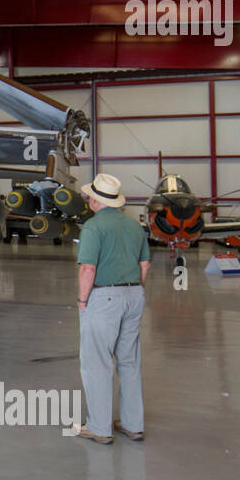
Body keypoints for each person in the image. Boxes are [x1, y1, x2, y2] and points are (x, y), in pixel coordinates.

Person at [74, 173, 150, 445]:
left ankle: (99, 427)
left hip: (104, 298)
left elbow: (88, 268)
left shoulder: (94, 227)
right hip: (134, 294)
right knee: (129, 361)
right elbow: (145, 266)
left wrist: (83, 301)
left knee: (97, 362)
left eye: (89, 196)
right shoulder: (134, 227)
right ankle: (132, 425)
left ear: (95, 200)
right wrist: (133, 291)